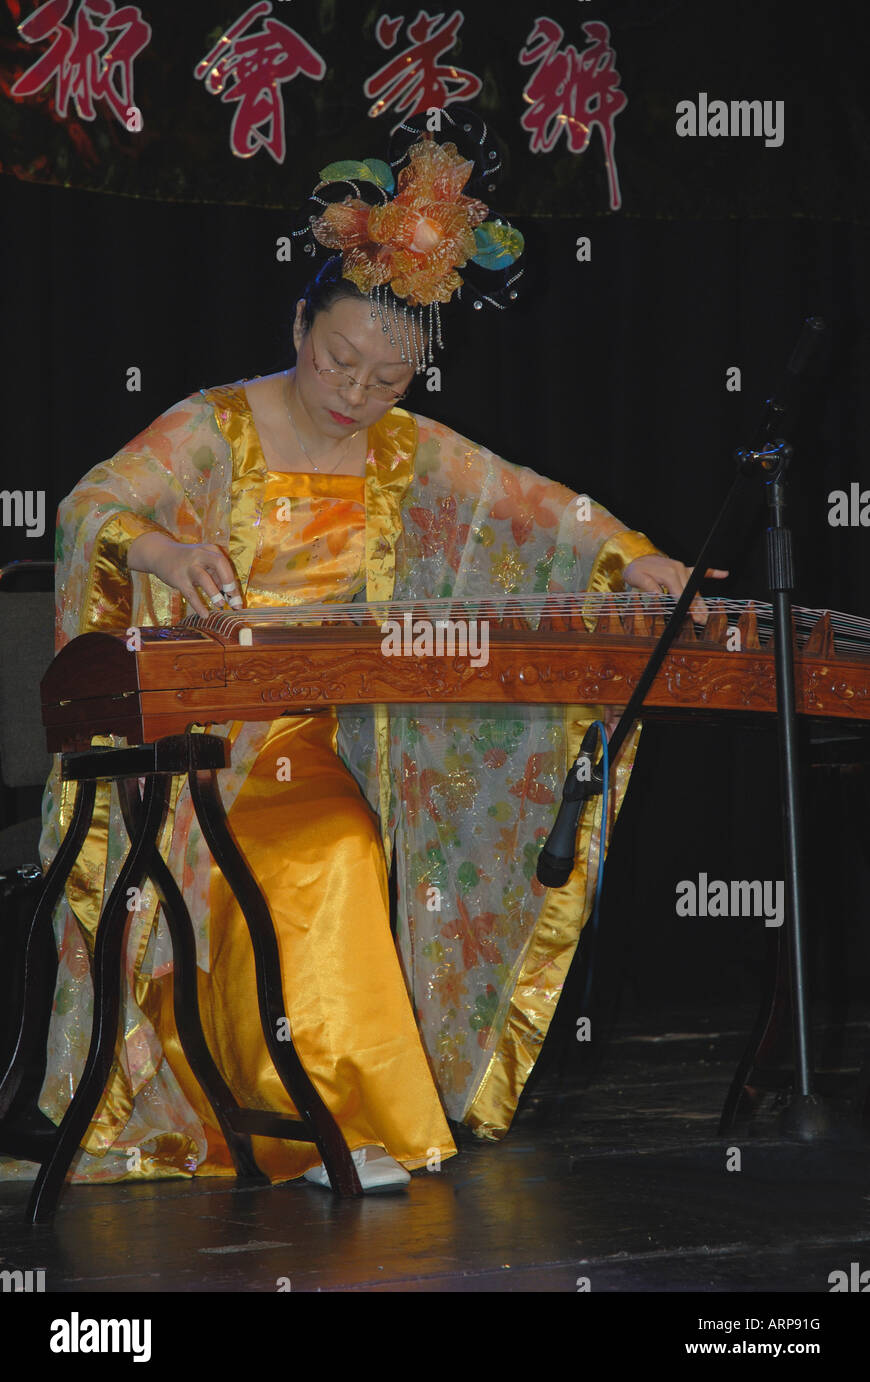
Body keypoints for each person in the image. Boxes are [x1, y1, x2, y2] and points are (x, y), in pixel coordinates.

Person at [0, 128, 724, 1193]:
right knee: (268, 866)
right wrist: (161, 546)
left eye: (390, 376)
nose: (355, 391)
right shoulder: (218, 428)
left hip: (297, 734)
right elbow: (91, 506)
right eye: (338, 360)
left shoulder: (404, 450)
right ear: (298, 323)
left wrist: (642, 557)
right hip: (185, 730)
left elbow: (536, 505)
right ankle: (269, 1113)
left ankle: (334, 1115)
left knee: (337, 845)